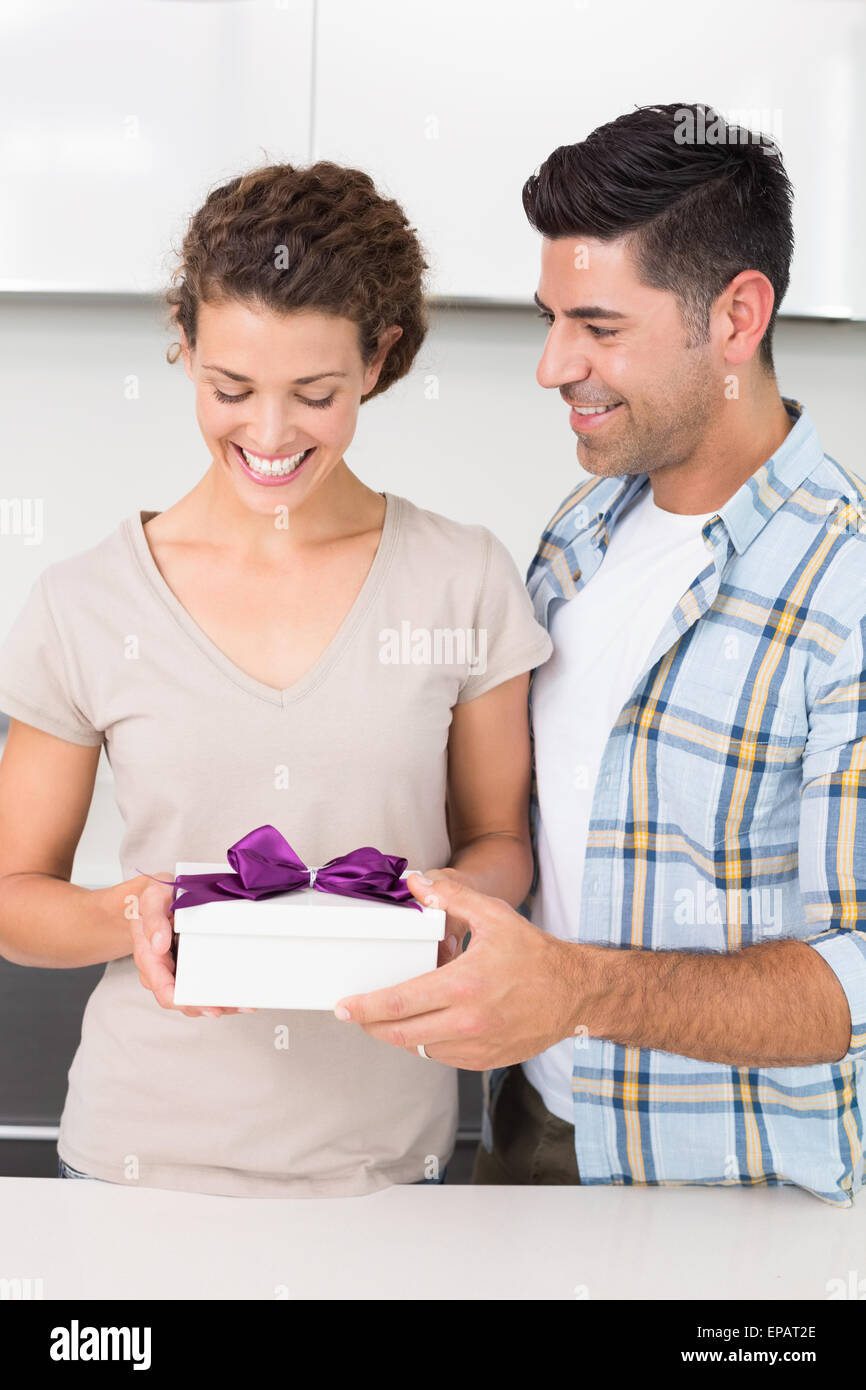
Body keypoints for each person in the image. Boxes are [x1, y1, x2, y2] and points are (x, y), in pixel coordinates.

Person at [336, 103, 866, 1208]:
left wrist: (575, 989)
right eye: (549, 319)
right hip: (529, 1134)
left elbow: (855, 980)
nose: (550, 365)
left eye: (597, 325)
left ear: (735, 317)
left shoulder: (845, 592)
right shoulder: (578, 535)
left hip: (726, 1187)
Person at [0, 161, 552, 1197]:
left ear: (379, 361)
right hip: (136, 1162)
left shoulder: (461, 579)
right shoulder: (86, 602)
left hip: (391, 1169)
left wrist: (436, 903)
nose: (266, 434)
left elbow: (499, 845)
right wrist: (136, 913)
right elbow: (11, 895)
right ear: (184, 339)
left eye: (314, 395)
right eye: (229, 389)